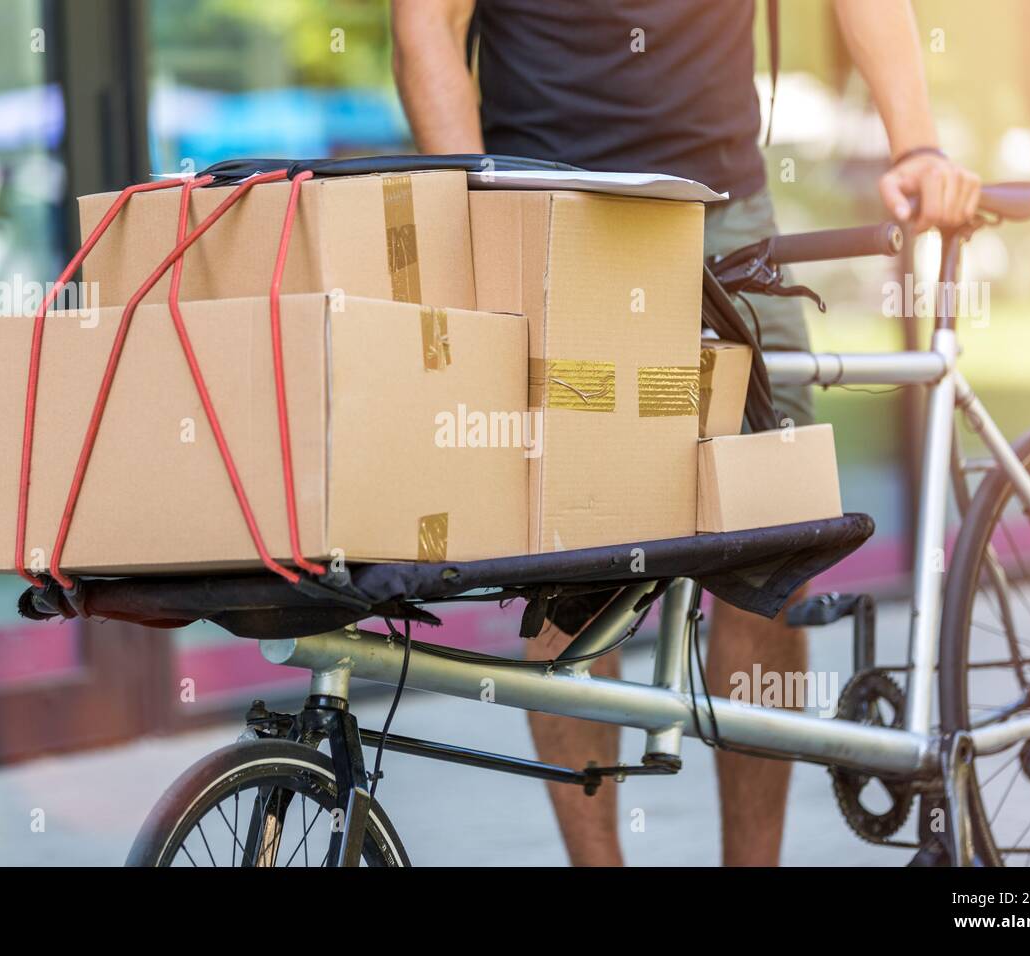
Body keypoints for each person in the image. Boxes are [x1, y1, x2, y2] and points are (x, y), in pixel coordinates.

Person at [392, 0, 981, 866]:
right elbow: (427, 25)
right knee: (567, 568)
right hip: (546, 212)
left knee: (768, 548)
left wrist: (917, 143)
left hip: (726, 213)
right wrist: (480, 212)